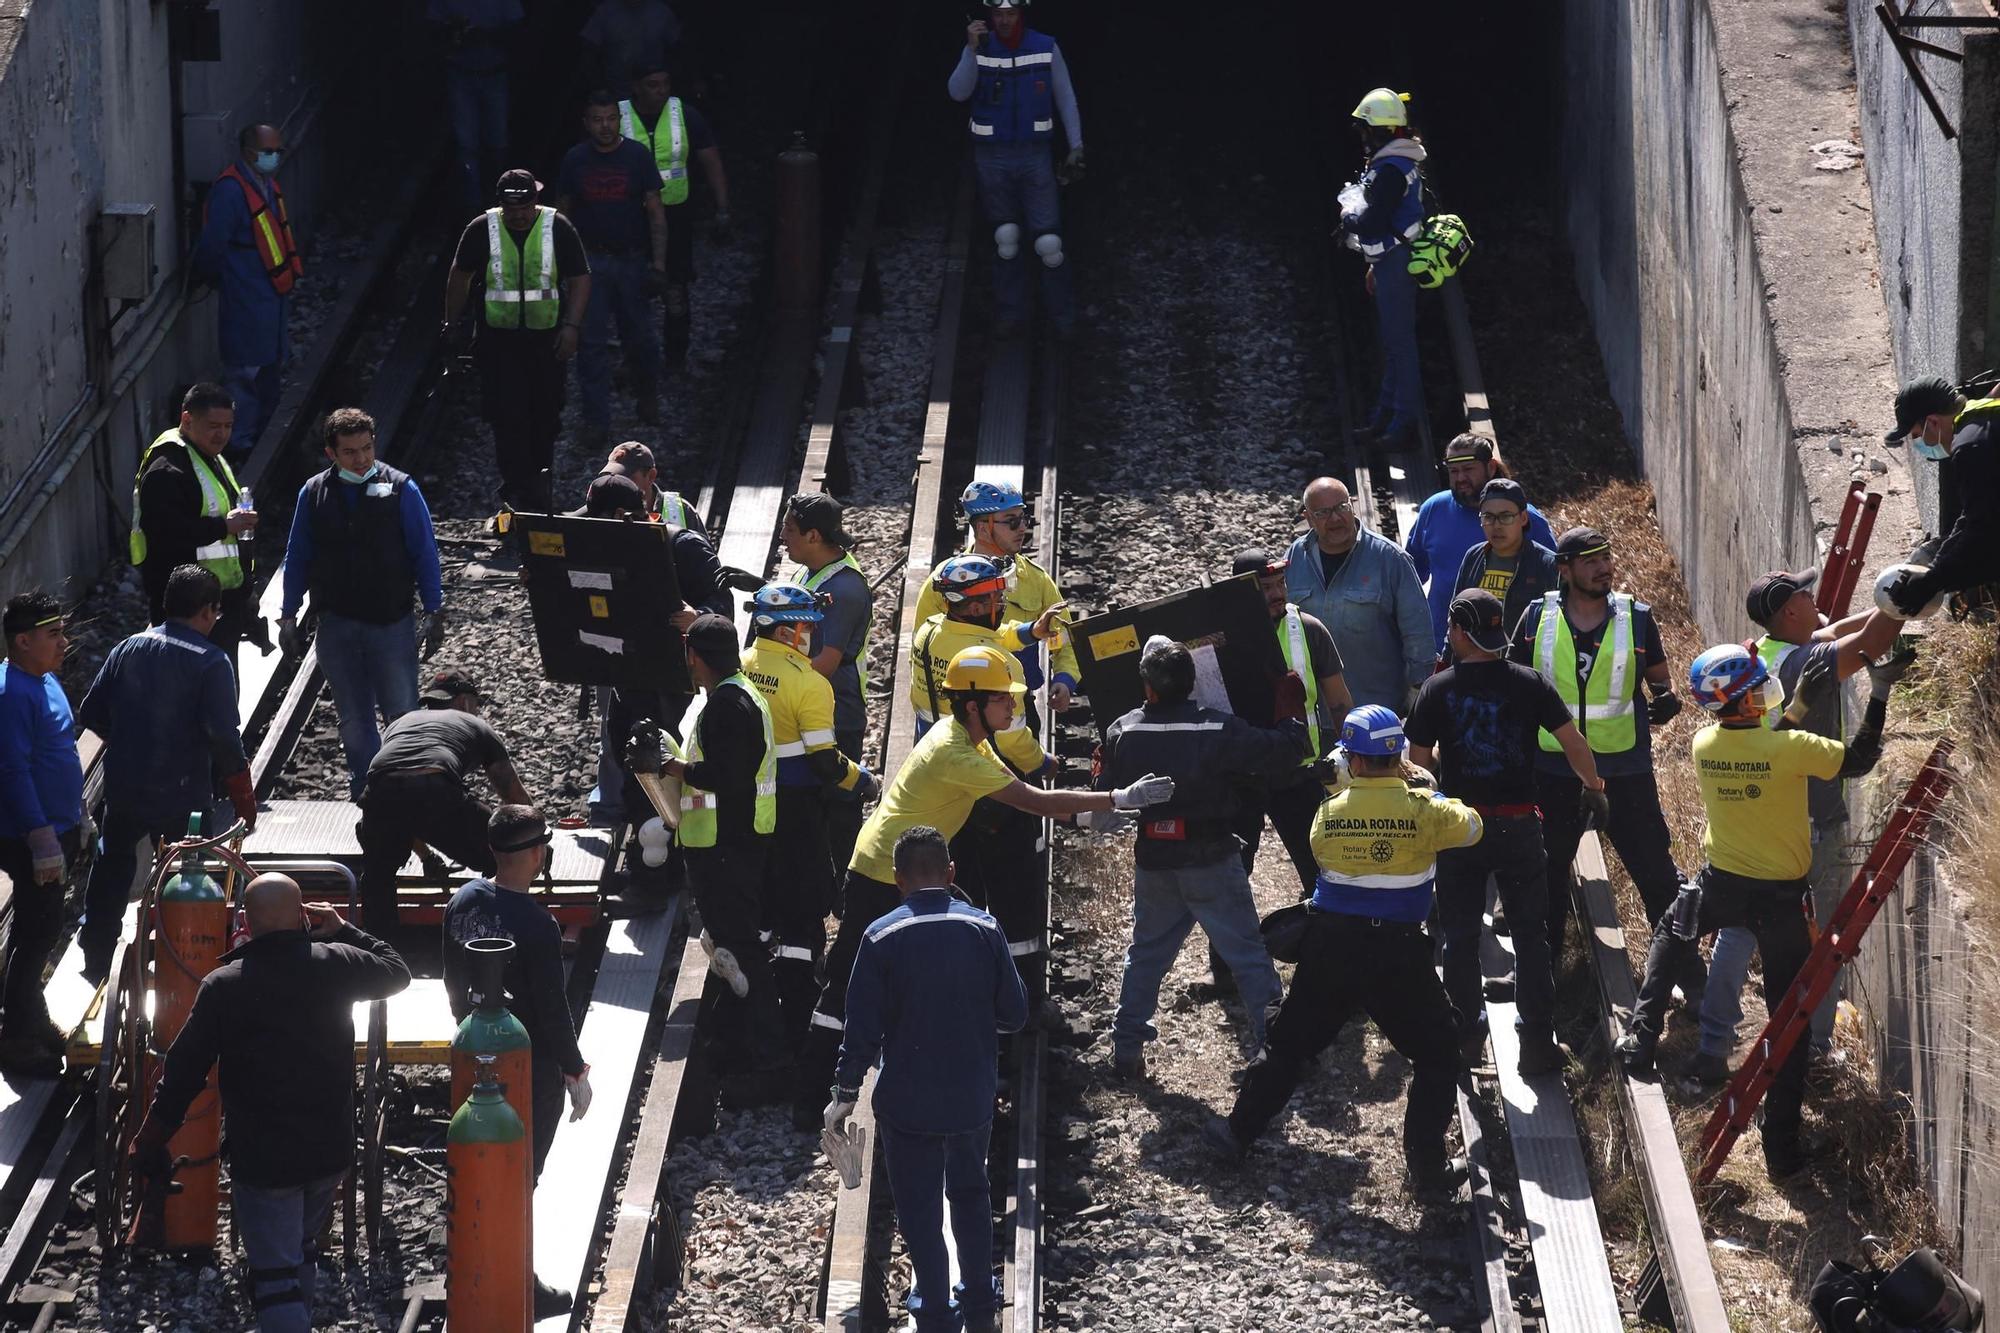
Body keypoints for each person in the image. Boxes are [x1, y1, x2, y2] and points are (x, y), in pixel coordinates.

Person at [796, 645, 1172, 1127]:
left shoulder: (965, 738)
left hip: (905, 866)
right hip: (882, 872)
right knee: (845, 985)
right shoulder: (958, 752)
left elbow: (1015, 801)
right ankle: (809, 1101)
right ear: (973, 704)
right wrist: (1116, 798)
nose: (1014, 707)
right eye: (1003, 699)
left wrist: (1084, 815)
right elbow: (1033, 799)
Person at [1615, 643, 1897, 1180]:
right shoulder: (1790, 746)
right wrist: (1878, 690)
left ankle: (1641, 1035)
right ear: (1748, 698)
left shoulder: (1704, 743)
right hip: (1780, 900)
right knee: (1786, 1021)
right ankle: (1782, 1150)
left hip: (1722, 882)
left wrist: (1793, 707)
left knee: (1673, 933)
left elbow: (1761, 747)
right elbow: (1857, 759)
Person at [1204, 705, 1478, 1199]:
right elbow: (1471, 826)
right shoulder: (1426, 811)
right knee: (1438, 1053)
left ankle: (1236, 1132)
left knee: (1289, 1046)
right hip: (1398, 953)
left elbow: (1329, 843)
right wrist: (1425, 786)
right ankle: (1427, 1173)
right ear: (1399, 755)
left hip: (1331, 946)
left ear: (1352, 757)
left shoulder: (1327, 816)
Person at [130, 875, 410, 1333]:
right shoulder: (337, 962)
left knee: (274, 1273)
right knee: (299, 1249)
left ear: (243, 922)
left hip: (264, 1158)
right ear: (302, 917)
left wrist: (150, 1137)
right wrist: (341, 928)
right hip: (328, 1153)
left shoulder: (225, 985)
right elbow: (396, 970)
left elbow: (183, 1073)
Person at [1689, 570, 1905, 1083]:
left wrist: (1896, 591)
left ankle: (1712, 1045)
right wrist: (1910, 592)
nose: (1817, 599)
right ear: (1789, 612)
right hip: (1805, 824)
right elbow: (1873, 639)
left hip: (1750, 827)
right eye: (1807, 595)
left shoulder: (1765, 653)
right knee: (1821, 937)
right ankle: (1814, 1047)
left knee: (1737, 933)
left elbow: (1840, 630)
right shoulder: (1811, 662)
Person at [825, 826, 1027, 1333]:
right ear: (951, 873)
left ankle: (936, 1314)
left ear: (897, 881)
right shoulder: (985, 929)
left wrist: (844, 1096)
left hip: (908, 1104)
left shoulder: (880, 938)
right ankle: (982, 1307)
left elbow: (861, 1031)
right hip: (971, 1098)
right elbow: (1016, 1014)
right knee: (970, 1195)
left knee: (919, 1211)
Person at [1405, 590, 1608, 1074]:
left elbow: (1417, 764)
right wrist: (1595, 787)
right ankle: (1536, 1043)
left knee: (1457, 936)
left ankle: (1467, 1036)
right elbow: (1572, 741)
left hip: (1459, 827)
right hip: (1519, 825)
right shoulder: (1530, 683)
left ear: (1459, 632)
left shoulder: (1438, 690)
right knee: (1530, 936)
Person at [1099, 636, 1312, 1077]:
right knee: (1249, 954)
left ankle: (1126, 1052)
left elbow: (1108, 790)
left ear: (1149, 688)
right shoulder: (1217, 728)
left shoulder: (1122, 731)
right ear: (1192, 684)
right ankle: (1278, 1048)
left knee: (1145, 955)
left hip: (1155, 860)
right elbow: (1285, 753)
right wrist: (1291, 712)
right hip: (1211, 858)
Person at [1509, 528, 1692, 985]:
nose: (1603, 567)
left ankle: (1689, 979)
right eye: (1589, 560)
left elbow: (1660, 682)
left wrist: (1667, 701)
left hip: (1623, 767)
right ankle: (1537, 976)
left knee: (1656, 874)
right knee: (1544, 875)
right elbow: (1513, 685)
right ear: (1564, 569)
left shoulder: (1637, 617)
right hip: (1553, 767)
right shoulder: (1536, 618)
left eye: (1606, 558)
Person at [441, 806, 590, 1317]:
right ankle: (511, 1280)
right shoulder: (536, 924)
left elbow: (452, 983)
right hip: (526, 1067)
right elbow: (552, 1007)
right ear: (536, 853)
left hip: (473, 1048)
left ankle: (471, 1264)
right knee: (518, 1173)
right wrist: (575, 1070)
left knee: (476, 1163)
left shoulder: (462, 901)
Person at [78, 566, 258, 987]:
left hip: (124, 788)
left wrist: (134, 742)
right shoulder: (211, 662)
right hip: (182, 796)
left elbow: (93, 714)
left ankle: (96, 963)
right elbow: (224, 739)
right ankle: (189, 961)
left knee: (110, 873)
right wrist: (243, 799)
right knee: (191, 875)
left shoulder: (127, 648)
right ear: (210, 612)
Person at [909, 555, 1064, 997]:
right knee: (1016, 894)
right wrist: (1043, 765)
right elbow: (1015, 741)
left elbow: (988, 636)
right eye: (996, 596)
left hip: (945, 784)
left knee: (962, 887)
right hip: (996, 787)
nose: (1002, 601)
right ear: (975, 605)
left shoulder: (927, 636)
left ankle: (965, 987)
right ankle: (1024, 997)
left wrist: (1030, 633)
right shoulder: (1003, 666)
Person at [278, 408, 445, 799]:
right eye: (351, 452)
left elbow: (424, 551)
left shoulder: (402, 488)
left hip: (391, 621)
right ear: (331, 453)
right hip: (337, 623)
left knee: (401, 713)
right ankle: (368, 788)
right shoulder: (314, 493)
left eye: (367, 448)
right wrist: (288, 614)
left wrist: (434, 609)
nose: (362, 459)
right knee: (353, 718)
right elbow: (297, 554)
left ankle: (405, 787)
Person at [740, 586, 878, 1052]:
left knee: (760, 899)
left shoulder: (740, 668)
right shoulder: (808, 683)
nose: (812, 636)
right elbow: (824, 761)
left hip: (748, 807)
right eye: (806, 627)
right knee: (804, 904)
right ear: (785, 630)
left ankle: (750, 996)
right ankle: (798, 1007)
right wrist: (862, 781)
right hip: (797, 809)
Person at [579, 472, 732, 826]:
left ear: (620, 515)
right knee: (625, 749)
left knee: (657, 750)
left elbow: (723, 604)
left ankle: (668, 835)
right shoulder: (607, 545)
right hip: (626, 668)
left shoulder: (684, 545)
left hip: (669, 675)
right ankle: (644, 833)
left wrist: (699, 616)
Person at [443, 168, 592, 512]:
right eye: (512, 209)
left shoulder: (557, 227)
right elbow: (459, 277)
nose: (519, 215)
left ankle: (539, 486)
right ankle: (516, 490)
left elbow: (580, 278)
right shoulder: (483, 229)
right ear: (501, 206)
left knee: (545, 416)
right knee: (507, 419)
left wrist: (571, 327)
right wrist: (451, 326)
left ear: (536, 199)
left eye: (525, 207)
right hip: (500, 344)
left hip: (546, 342)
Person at [356, 670, 532, 939]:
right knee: (500, 852)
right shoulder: (476, 725)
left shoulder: (401, 723)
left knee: (378, 873)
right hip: (434, 785)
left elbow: (403, 801)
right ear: (465, 702)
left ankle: (380, 948)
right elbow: (514, 798)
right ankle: (498, 935)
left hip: (379, 787)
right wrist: (534, 841)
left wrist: (427, 856)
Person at [947, 0, 1084, 337]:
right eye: (998, 15)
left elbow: (1065, 96)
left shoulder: (1045, 47)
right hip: (992, 156)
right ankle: (1011, 312)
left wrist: (1076, 145)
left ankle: (1062, 317)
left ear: (1021, 14)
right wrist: (970, 51)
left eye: (1010, 14)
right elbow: (957, 92)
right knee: (1005, 238)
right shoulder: (981, 48)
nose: (1004, 21)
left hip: (1033, 154)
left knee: (1049, 243)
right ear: (990, 16)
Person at [1226, 548, 1353, 899]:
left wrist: (1353, 759)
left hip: (1299, 773)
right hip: (1241, 777)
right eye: (1266, 587)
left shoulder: (1308, 630)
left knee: (1321, 873)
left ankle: (1321, 948)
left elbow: (1339, 703)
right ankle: (1230, 954)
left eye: (1280, 583)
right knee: (1229, 880)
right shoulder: (1218, 636)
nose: (1278, 593)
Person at [0, 593, 84, 1076]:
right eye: (53, 635)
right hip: (35, 836)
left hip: (59, 826)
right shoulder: (12, 692)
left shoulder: (45, 679)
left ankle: (32, 1019)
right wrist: (40, 836)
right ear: (23, 641)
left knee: (44, 925)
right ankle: (16, 1036)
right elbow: (12, 769)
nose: (64, 642)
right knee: (36, 932)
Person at [557, 89, 668, 447]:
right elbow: (563, 214)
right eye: (597, 119)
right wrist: (562, 267)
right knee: (590, 344)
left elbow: (655, 212)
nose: (605, 126)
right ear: (587, 122)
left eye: (611, 118)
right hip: (590, 264)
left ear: (619, 120)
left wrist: (659, 264)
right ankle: (596, 421)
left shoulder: (637, 156)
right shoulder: (575, 159)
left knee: (641, 337)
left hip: (631, 260)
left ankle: (647, 394)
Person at [914, 481, 1079, 712]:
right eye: (1012, 521)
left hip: (1016, 708)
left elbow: (1062, 636)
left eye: (1024, 519)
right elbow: (923, 650)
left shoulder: (1035, 579)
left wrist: (1064, 678)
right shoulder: (942, 584)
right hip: (961, 713)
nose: (1022, 528)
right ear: (983, 528)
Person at [131, 382, 262, 663]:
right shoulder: (167, 469)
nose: (223, 434)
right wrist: (224, 527)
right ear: (187, 419)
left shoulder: (207, 456)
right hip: (186, 612)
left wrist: (245, 590)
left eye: (228, 426)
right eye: (214, 425)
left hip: (218, 604)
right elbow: (168, 534)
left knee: (221, 692)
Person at [192, 124, 302, 456]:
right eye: (269, 152)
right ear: (249, 152)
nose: (274, 158)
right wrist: (213, 277)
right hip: (245, 296)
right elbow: (213, 246)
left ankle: (265, 437)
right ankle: (240, 445)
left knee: (268, 369)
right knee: (244, 375)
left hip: (267, 296)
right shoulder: (231, 191)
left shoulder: (264, 185)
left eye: (277, 152)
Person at [1283, 476, 1431, 712]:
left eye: (1342, 507)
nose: (1335, 519)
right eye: (1322, 513)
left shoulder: (1390, 558)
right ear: (1308, 518)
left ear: (1352, 505)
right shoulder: (1294, 558)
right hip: (1318, 712)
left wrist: (1418, 692)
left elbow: (1418, 631)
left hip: (1378, 709)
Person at [781, 493, 873, 870]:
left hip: (838, 714)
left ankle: (846, 892)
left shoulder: (846, 590)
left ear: (814, 536)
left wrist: (768, 684)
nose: (783, 537)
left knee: (840, 805)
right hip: (812, 708)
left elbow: (826, 664)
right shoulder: (810, 570)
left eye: (789, 530)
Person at [622, 56, 730, 367]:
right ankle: (635, 358)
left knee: (676, 288)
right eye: (652, 85)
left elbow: (710, 160)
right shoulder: (616, 117)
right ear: (636, 88)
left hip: (675, 216)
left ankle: (675, 358)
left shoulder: (684, 114)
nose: (661, 91)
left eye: (665, 84)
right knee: (630, 290)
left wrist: (722, 208)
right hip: (631, 217)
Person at [1405, 434, 1556, 652]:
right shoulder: (1433, 509)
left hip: (1516, 653)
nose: (1460, 478)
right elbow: (1410, 576)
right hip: (1447, 648)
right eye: (1454, 471)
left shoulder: (1527, 520)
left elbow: (1557, 586)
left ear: (1491, 467)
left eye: (1468, 469)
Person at [1340, 88, 1426, 450]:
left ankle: (1404, 426)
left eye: (1365, 130)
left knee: (1400, 346)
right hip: (1389, 261)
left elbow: (1374, 222)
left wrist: (1348, 217)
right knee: (1394, 345)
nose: (1363, 138)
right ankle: (1385, 419)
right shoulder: (1394, 162)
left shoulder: (1391, 169)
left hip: (1396, 263)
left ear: (1379, 131)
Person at [1879, 375, 2000, 615]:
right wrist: (1937, 566)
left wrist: (1934, 580)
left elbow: (1984, 531)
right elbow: (1973, 518)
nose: (1918, 443)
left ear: (1933, 422)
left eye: (1916, 434)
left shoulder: (1969, 447)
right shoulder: (1980, 414)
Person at [427, 0, 524, 212]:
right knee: (466, 141)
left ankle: (498, 193)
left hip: (495, 73)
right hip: (460, 73)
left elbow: (518, 31)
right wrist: (455, 32)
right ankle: (473, 201)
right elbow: (433, 27)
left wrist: (487, 36)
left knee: (497, 138)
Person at [1448, 477, 1560, 656]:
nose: (1496, 526)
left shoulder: (1547, 564)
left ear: (1523, 518)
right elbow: (1455, 618)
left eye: (1506, 516)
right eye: (1488, 517)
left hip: (1523, 671)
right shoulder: (1473, 556)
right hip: (1472, 668)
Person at [593, 440, 706, 530]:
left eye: (626, 478)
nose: (618, 483)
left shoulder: (680, 510)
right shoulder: (599, 508)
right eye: (610, 476)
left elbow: (704, 555)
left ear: (651, 476)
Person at [579, 0, 682, 91]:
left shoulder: (661, 11)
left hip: (655, 90)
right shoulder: (605, 12)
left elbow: (677, 49)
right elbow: (589, 51)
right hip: (616, 89)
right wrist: (599, 86)